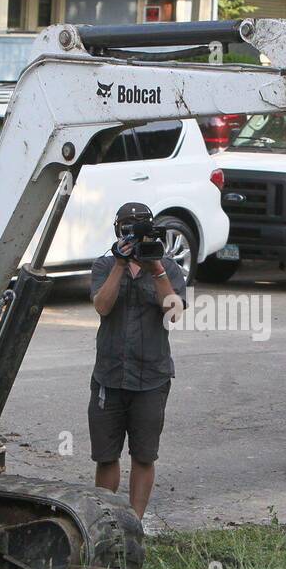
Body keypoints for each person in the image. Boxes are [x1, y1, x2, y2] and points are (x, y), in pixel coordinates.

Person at [88, 202, 187, 520]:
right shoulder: (103, 266)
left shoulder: (167, 267)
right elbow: (102, 307)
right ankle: (106, 521)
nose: (133, 236)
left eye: (140, 229)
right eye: (128, 229)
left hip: (151, 377)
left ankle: (136, 524)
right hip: (110, 376)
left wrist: (156, 269)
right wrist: (119, 264)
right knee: (106, 457)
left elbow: (173, 312)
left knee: (144, 456)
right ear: (118, 231)